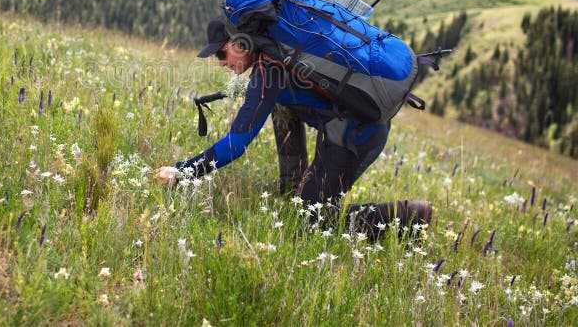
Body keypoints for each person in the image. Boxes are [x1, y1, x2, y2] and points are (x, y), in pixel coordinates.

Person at [155, 15, 431, 238]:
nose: (222, 63)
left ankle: (410, 215)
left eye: (222, 54)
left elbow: (236, 145)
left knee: (311, 221)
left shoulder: (269, 72)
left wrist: (184, 172)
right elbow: (287, 113)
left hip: (357, 137)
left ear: (241, 43)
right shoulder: (282, 56)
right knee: (282, 119)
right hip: (349, 131)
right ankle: (293, 188)